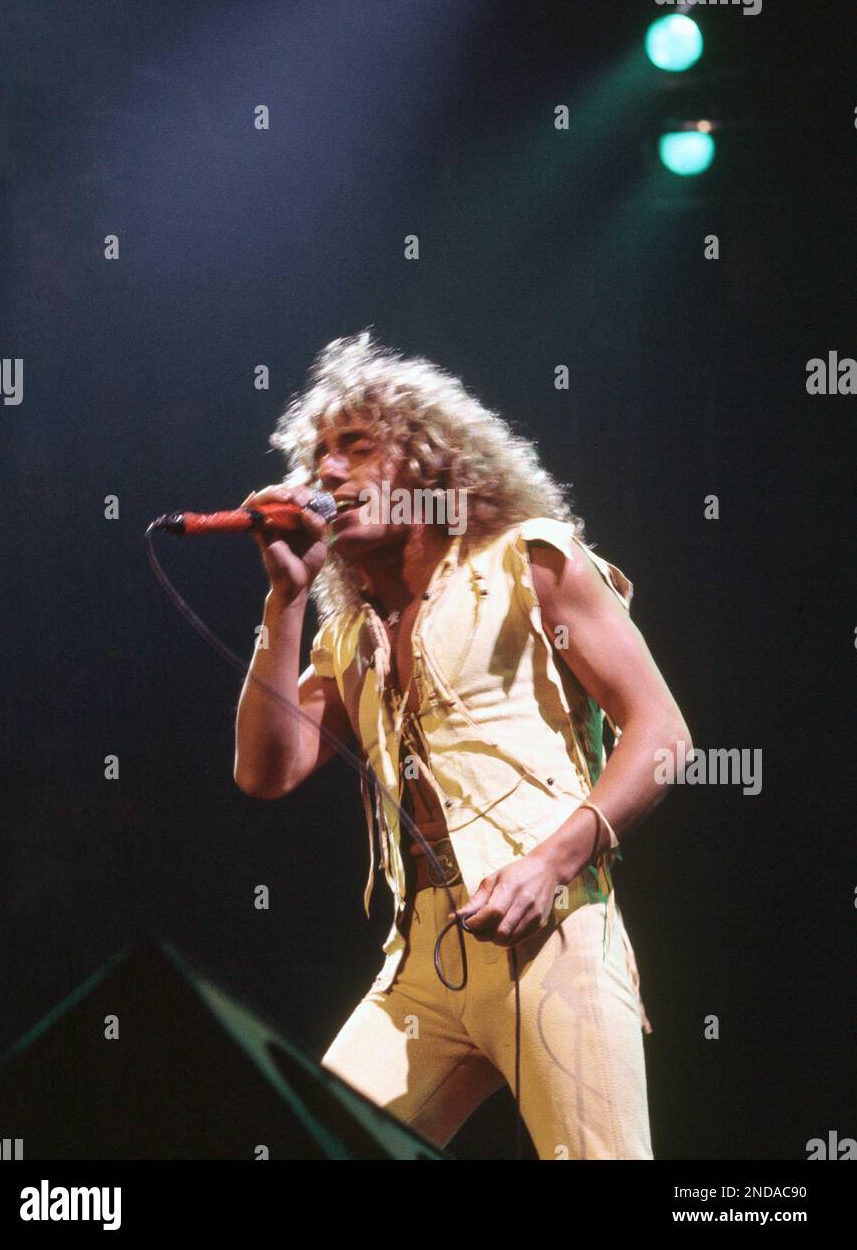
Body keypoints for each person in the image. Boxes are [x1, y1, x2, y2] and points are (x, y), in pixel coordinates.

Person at [234, 331, 691, 1160]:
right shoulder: (346, 636)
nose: (327, 474)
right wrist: (284, 602)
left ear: (429, 464)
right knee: (309, 1139)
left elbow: (662, 734)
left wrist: (551, 863)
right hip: (422, 959)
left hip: (553, 936)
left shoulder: (530, 562)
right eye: (319, 459)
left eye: (355, 447)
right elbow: (265, 773)